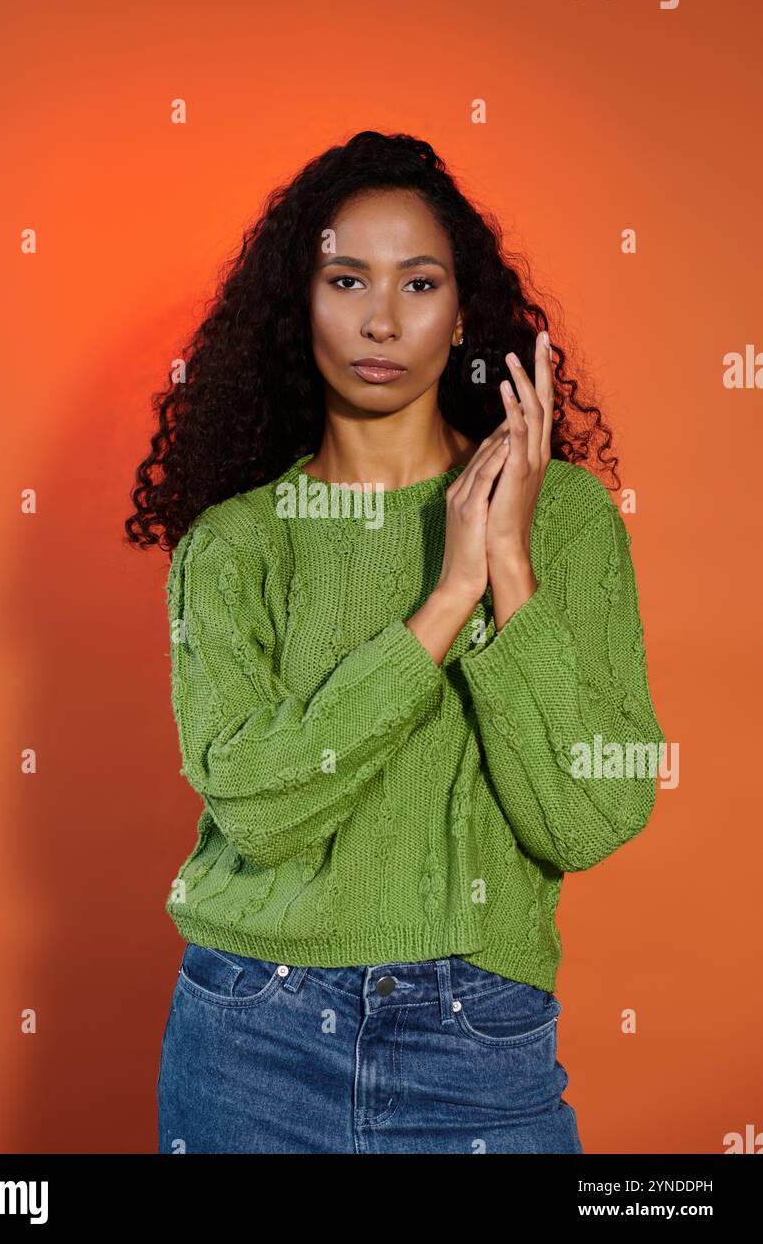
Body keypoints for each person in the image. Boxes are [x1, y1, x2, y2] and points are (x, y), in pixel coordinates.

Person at [126, 130, 665, 1154]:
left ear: (461, 312)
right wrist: (447, 593)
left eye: (417, 284)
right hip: (252, 1037)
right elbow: (254, 802)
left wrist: (507, 563)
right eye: (345, 279)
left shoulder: (566, 520)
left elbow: (591, 814)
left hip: (479, 1043)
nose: (380, 319)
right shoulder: (235, 543)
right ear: (301, 304)